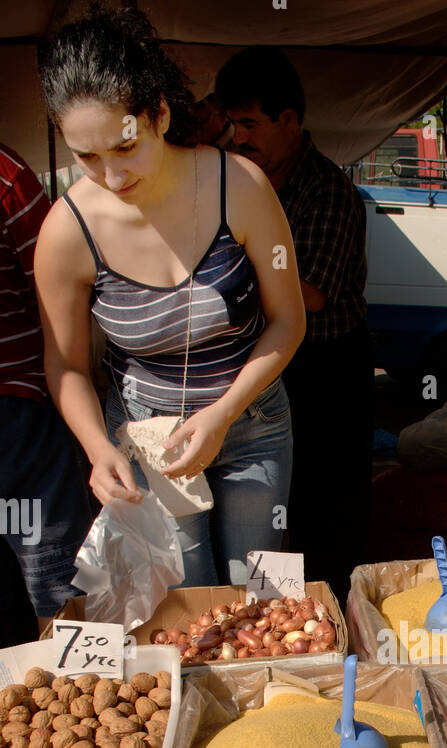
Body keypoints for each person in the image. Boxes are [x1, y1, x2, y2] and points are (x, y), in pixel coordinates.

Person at [34, 6, 306, 588]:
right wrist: (96, 447)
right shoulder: (65, 231)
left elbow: (289, 322)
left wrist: (222, 414)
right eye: (86, 156)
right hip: (147, 440)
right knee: (190, 604)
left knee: (262, 597)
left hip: (253, 426)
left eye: (124, 147)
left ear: (158, 113)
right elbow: (65, 366)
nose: (110, 175)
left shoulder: (241, 187)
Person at [215, 47, 373, 604]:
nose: (239, 138)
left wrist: (217, 291)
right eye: (233, 124)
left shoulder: (325, 190)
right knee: (268, 522)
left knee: (321, 518)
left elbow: (307, 295)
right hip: (267, 369)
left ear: (290, 121)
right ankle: (274, 627)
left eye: (251, 124)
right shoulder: (240, 185)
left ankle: (328, 638)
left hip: (325, 377)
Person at [0, 140, 92, 640]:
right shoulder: (6, 173)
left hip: (19, 412)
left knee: (50, 574)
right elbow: (53, 285)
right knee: (52, 575)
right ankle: (58, 689)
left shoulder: (7, 176)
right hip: (18, 410)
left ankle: (57, 704)